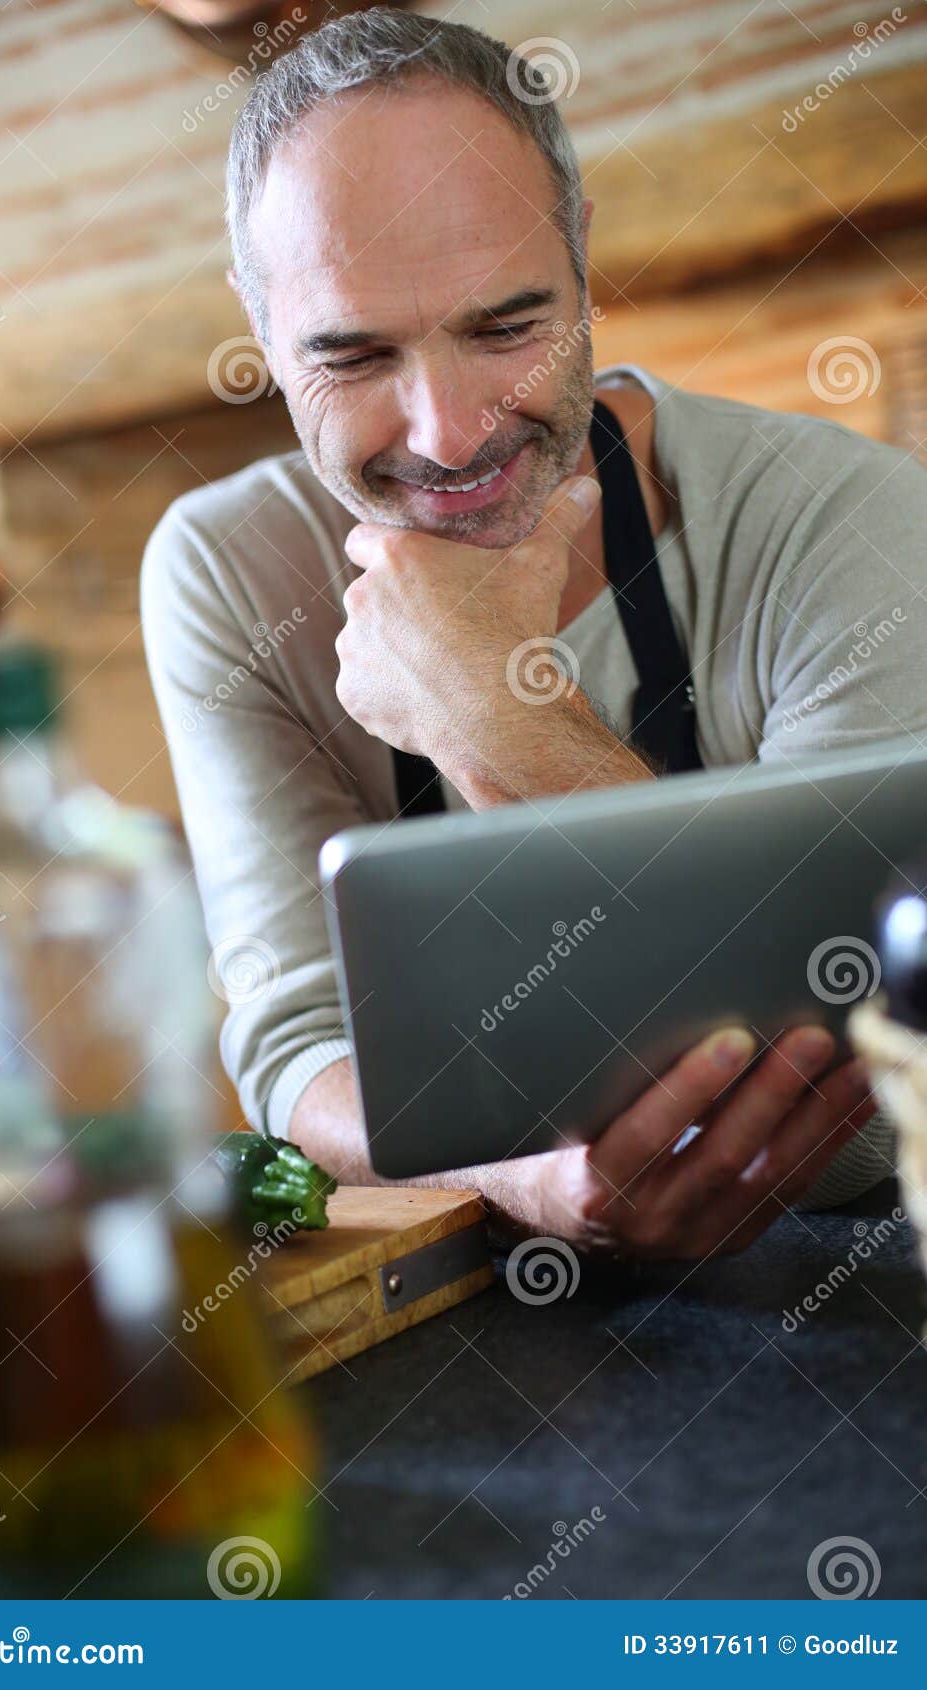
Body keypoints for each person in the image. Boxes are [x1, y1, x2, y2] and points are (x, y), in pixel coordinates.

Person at [141, 8, 925, 1259]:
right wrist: (522, 1175)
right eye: (352, 354)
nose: (446, 432)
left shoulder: (850, 524)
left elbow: (890, 1095)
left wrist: (492, 710)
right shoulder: (227, 573)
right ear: (258, 327)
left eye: (505, 327)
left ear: (580, 262)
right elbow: (295, 1046)